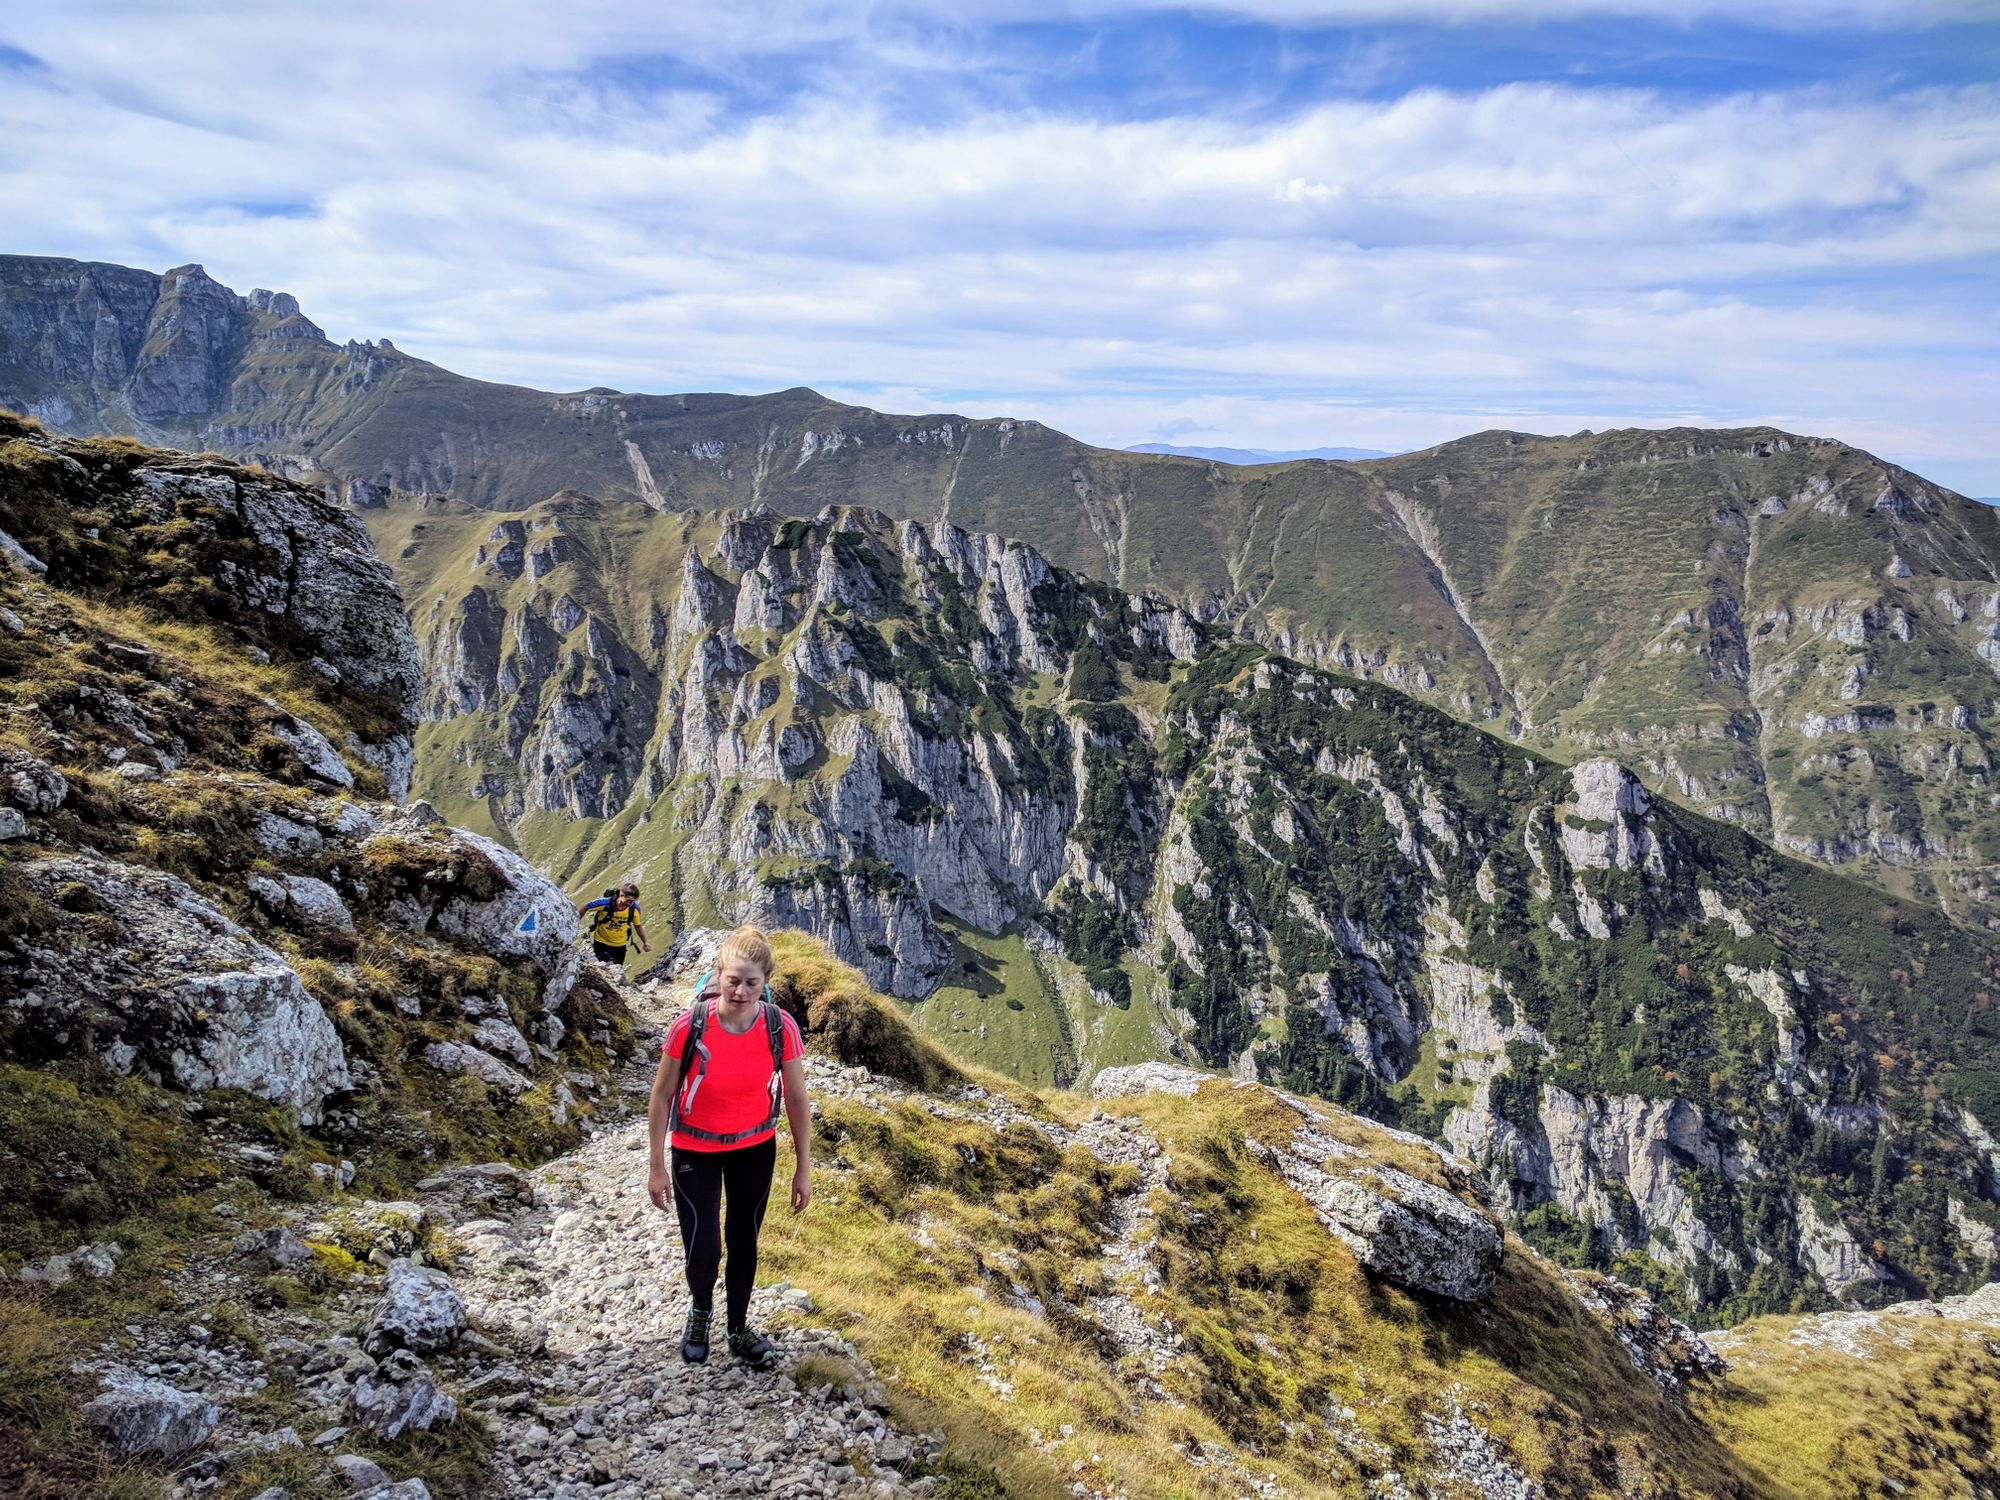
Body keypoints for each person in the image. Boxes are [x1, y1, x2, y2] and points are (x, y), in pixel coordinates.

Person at [645, 925, 811, 1369]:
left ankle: (737, 1326)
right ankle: (700, 1313)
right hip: (693, 1148)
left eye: (751, 983)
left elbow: (797, 1099)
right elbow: (661, 1096)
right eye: (733, 980)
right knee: (703, 1246)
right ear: (717, 976)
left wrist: (803, 1169)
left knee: (744, 1241)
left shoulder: (780, 1027)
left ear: (766, 982)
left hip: (754, 1147)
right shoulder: (689, 1026)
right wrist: (656, 1165)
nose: (740, 991)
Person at [578, 883, 650, 968]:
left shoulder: (634, 909)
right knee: (606, 968)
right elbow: (586, 906)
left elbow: (638, 926)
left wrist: (645, 942)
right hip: (601, 943)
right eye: (628, 900)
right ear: (621, 895)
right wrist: (575, 923)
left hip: (620, 946)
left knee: (616, 970)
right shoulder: (606, 903)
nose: (630, 903)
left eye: (633, 901)